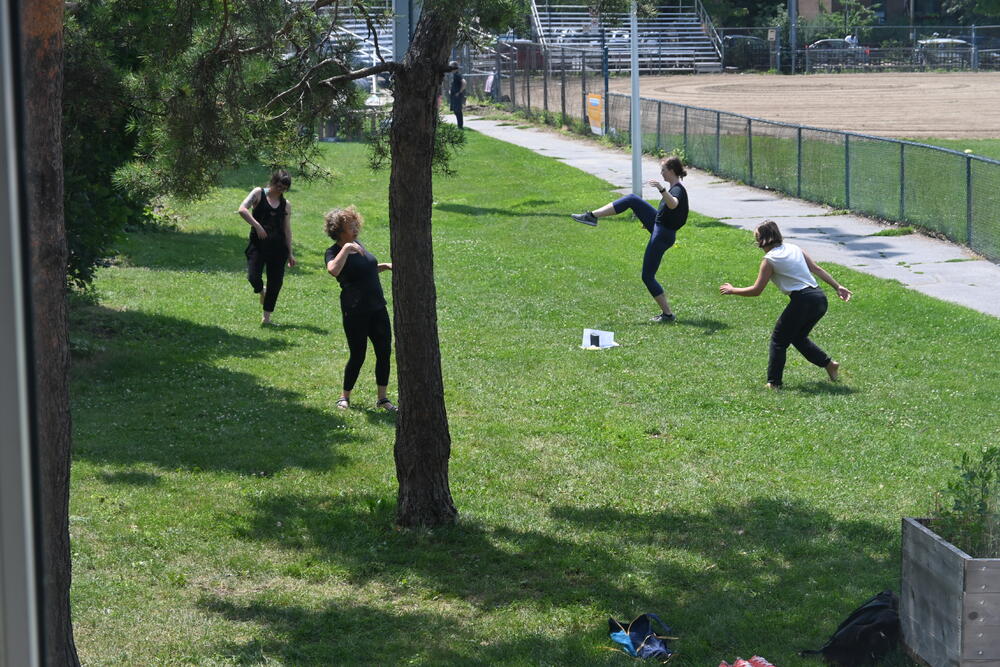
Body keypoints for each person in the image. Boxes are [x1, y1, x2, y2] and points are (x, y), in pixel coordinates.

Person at [719, 220, 852, 390]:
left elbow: (756, 290)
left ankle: (774, 383)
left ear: (764, 240)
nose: (756, 242)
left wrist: (733, 290)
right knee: (797, 337)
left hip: (802, 300)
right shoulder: (794, 248)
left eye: (757, 238)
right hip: (819, 298)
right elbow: (817, 269)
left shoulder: (769, 260)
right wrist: (837, 286)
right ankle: (829, 364)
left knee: (778, 341)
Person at [571, 155, 689, 322]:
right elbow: (669, 213)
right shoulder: (675, 188)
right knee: (632, 200)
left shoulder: (676, 190)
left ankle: (668, 314)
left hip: (663, 235)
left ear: (670, 171)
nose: (661, 173)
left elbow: (674, 204)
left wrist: (661, 190)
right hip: (660, 228)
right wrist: (647, 220)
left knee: (647, 276)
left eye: (663, 169)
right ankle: (592, 216)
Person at [324, 206, 397, 412]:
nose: (355, 230)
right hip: (355, 310)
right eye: (350, 227)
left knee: (384, 352)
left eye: (356, 225)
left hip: (377, 307)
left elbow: (366, 269)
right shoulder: (334, 252)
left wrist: (386, 266)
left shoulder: (357, 244)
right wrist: (346, 249)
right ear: (338, 231)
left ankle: (383, 399)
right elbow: (334, 270)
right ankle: (344, 396)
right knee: (358, 355)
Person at [238, 170, 296, 325]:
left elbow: (287, 230)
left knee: (275, 283)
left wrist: (290, 253)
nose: (280, 189)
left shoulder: (286, 205)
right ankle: (261, 290)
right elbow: (242, 209)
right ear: (273, 181)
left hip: (278, 249)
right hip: (257, 246)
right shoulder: (258, 193)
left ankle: (266, 318)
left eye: (284, 188)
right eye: (279, 185)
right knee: (253, 277)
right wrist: (257, 226)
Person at [449, 60, 466, 129]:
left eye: (451, 66)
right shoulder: (454, 75)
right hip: (454, 95)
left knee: (458, 110)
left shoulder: (457, 75)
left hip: (457, 95)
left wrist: (459, 92)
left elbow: (464, 82)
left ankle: (460, 126)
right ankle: (459, 125)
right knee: (455, 111)